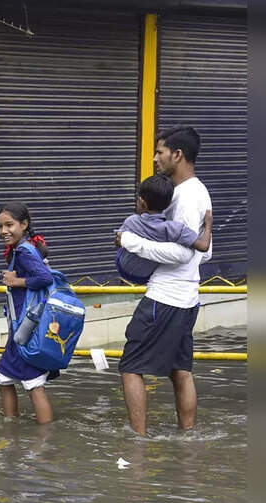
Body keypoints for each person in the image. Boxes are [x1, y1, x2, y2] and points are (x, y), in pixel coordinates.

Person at [116, 125, 213, 435]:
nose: (155, 158)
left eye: (159, 152)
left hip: (164, 300)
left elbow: (183, 254)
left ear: (177, 154)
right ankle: (187, 440)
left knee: (131, 367)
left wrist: (131, 243)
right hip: (187, 299)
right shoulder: (199, 193)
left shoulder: (184, 198)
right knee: (180, 371)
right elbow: (205, 253)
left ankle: (139, 442)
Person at [0, 202, 55, 424]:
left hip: (25, 328)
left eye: (9, 225)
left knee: (32, 383)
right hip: (22, 327)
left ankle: (44, 436)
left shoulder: (23, 251)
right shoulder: (25, 248)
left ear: (24, 224)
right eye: (0, 226)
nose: (3, 231)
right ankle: (13, 429)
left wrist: (16, 280)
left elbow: (44, 278)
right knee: (4, 377)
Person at [116, 175, 212, 283]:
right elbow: (204, 247)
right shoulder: (174, 228)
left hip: (123, 266)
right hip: (144, 275)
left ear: (142, 202)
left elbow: (118, 241)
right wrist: (208, 224)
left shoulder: (132, 221)